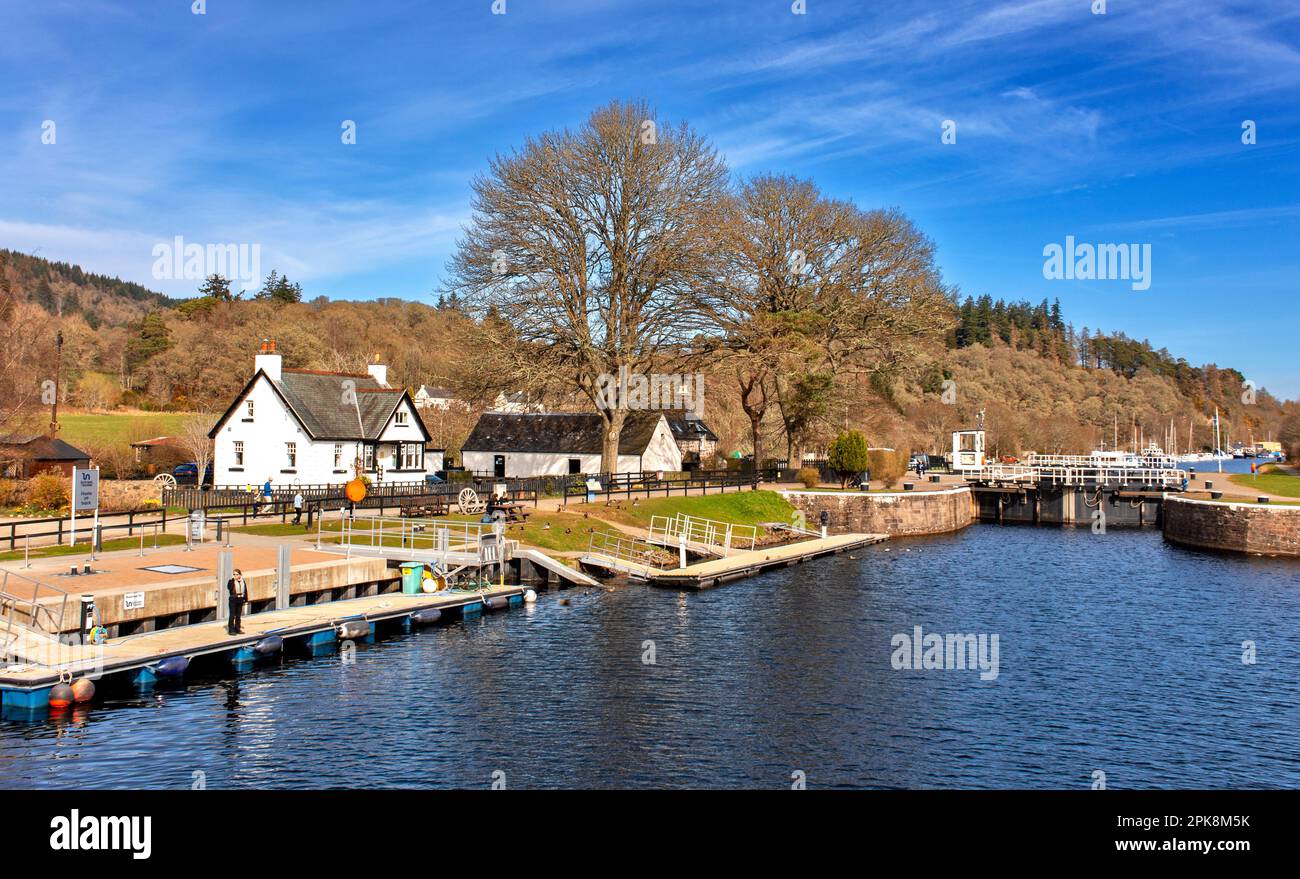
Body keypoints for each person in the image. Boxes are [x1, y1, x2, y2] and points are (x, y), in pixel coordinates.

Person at [227, 568, 248, 635]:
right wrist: (233, 580)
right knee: (232, 615)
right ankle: (231, 630)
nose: (235, 576)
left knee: (238, 615)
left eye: (237, 574)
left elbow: (245, 591)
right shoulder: (231, 581)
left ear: (240, 575)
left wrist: (245, 599)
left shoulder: (243, 581)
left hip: (240, 599)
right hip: (233, 600)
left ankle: (237, 628)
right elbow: (229, 588)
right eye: (234, 574)